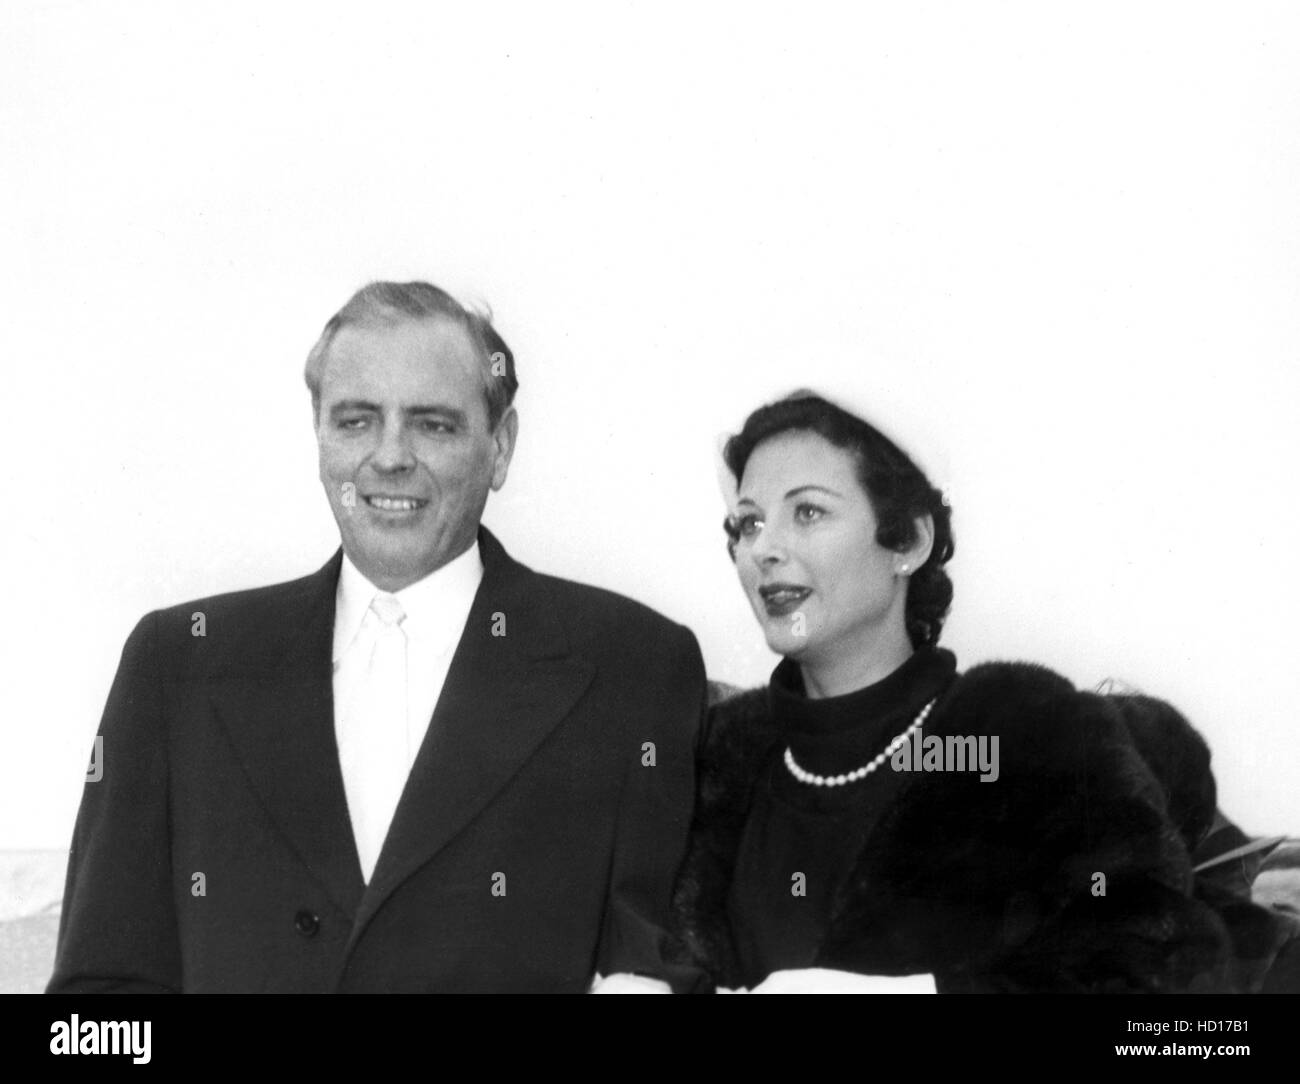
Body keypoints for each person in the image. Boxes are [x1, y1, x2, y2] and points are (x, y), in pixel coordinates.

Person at [48, 281, 705, 994]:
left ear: (501, 446)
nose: (390, 457)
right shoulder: (178, 665)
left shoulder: (632, 669)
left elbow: (656, 975)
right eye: (357, 421)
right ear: (319, 434)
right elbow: (90, 1017)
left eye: (434, 425)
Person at [668, 390, 1252, 993]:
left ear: (908, 542)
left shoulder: (1023, 742)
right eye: (748, 523)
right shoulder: (711, 761)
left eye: (808, 512)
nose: (763, 548)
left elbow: (1181, 1004)